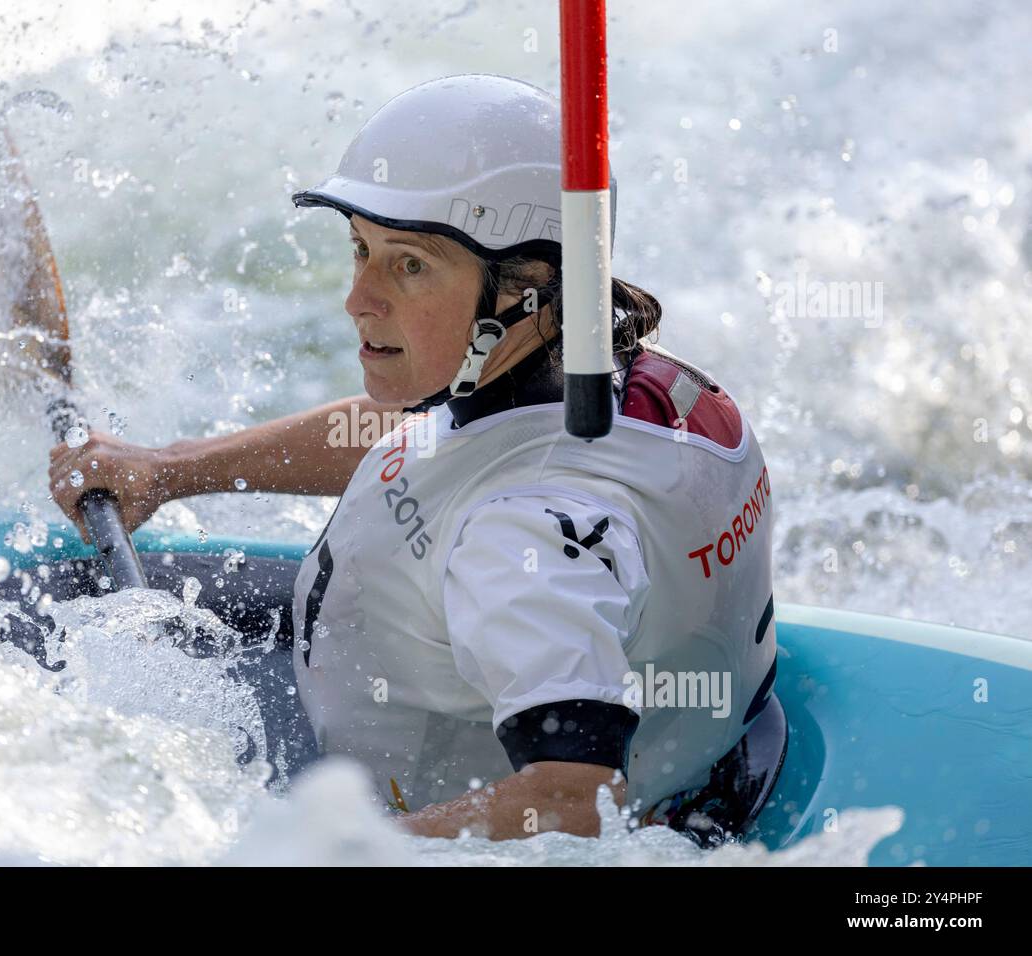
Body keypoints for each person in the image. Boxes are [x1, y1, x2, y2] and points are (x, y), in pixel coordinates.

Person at [43, 74, 782, 843]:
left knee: (25, 626)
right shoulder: (618, 381)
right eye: (360, 249)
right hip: (709, 751)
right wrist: (171, 468)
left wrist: (329, 857)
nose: (358, 298)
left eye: (410, 266)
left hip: (401, 789)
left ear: (528, 287)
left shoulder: (518, 547)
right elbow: (430, 431)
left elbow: (571, 804)